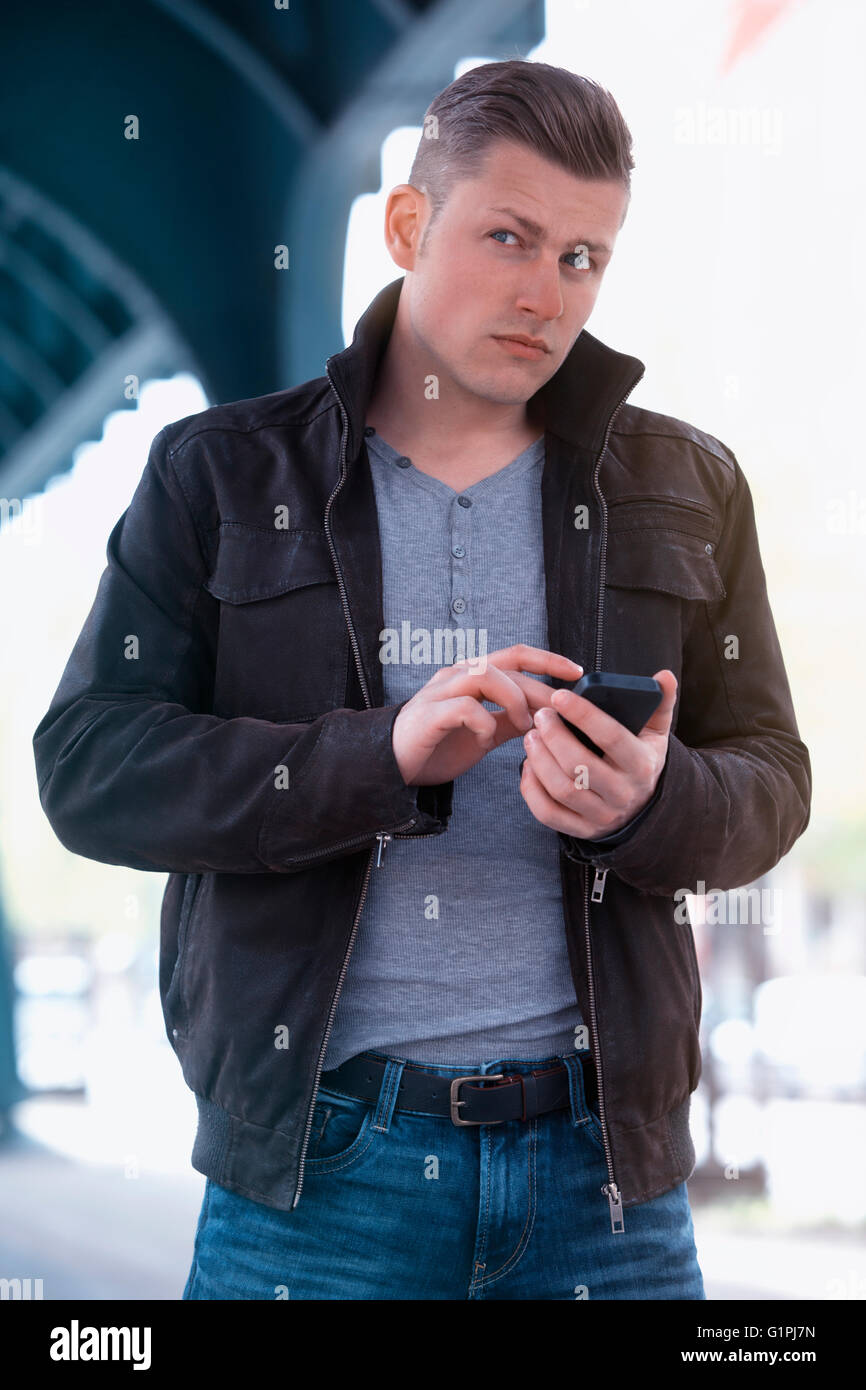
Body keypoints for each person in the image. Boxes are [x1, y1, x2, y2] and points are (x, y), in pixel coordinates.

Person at [32, 59, 811, 1300]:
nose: (545, 293)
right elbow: (88, 771)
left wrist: (652, 803)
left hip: (606, 1187)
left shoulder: (687, 484)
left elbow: (772, 780)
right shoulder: (216, 475)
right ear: (406, 226)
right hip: (318, 1178)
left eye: (580, 257)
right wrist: (377, 759)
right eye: (507, 236)